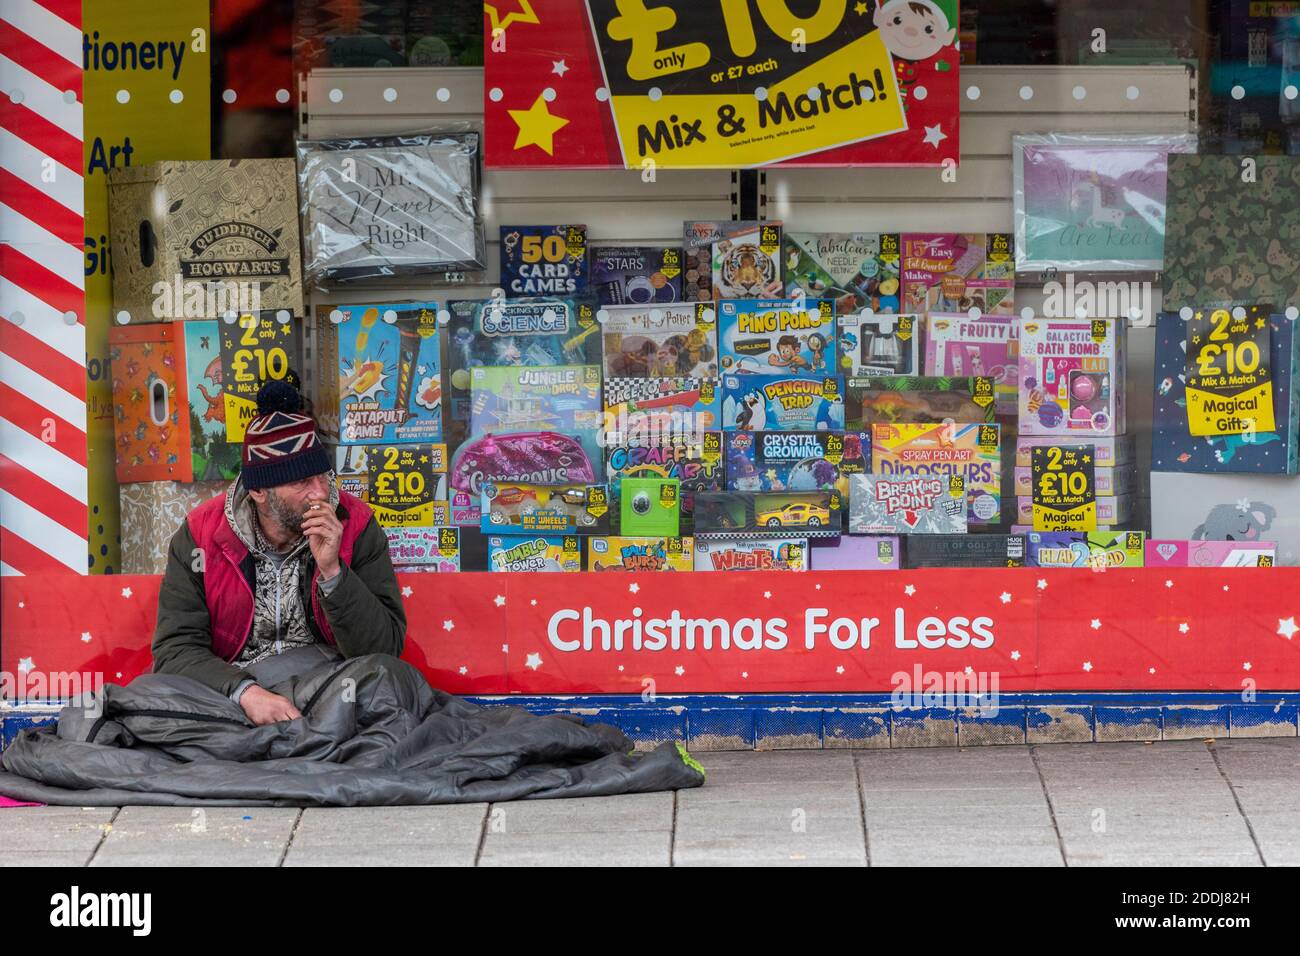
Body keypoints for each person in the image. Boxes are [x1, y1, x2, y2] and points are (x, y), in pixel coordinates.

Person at [151, 378, 406, 726]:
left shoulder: (356, 525)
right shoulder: (199, 535)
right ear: (258, 491)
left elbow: (384, 649)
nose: (319, 493)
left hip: (329, 688)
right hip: (235, 693)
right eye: (301, 483)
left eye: (322, 476)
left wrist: (333, 573)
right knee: (145, 697)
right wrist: (246, 693)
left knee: (393, 683)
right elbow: (175, 650)